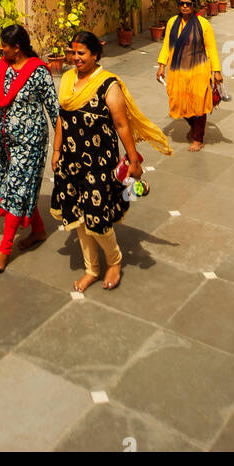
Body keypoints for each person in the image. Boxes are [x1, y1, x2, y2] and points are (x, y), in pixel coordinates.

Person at [51, 31, 171, 292]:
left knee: (96, 217)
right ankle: (91, 269)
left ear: (95, 55)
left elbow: (121, 124)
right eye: (73, 52)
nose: (76, 58)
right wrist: (57, 149)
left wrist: (132, 159)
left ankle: (114, 260)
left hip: (98, 163)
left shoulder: (108, 84)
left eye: (82, 53)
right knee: (78, 218)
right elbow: (62, 116)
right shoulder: (68, 80)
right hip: (71, 161)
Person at [0, 23, 59, 273]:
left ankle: (4, 250)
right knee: (12, 183)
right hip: (4, 140)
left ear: (17, 48)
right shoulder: (2, 67)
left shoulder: (39, 72)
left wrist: (60, 146)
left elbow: (54, 109)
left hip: (31, 142)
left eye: (5, 46)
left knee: (17, 188)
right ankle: (39, 230)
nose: (1, 49)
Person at [156, 0, 222, 151]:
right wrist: (161, 65)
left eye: (188, 4)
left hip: (198, 70)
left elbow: (211, 48)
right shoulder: (172, 22)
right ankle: (194, 126)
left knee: (198, 104)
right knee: (180, 102)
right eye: (182, 4)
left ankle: (198, 138)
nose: (184, 7)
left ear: (194, 6)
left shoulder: (203, 24)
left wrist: (217, 70)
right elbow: (167, 45)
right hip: (178, 70)